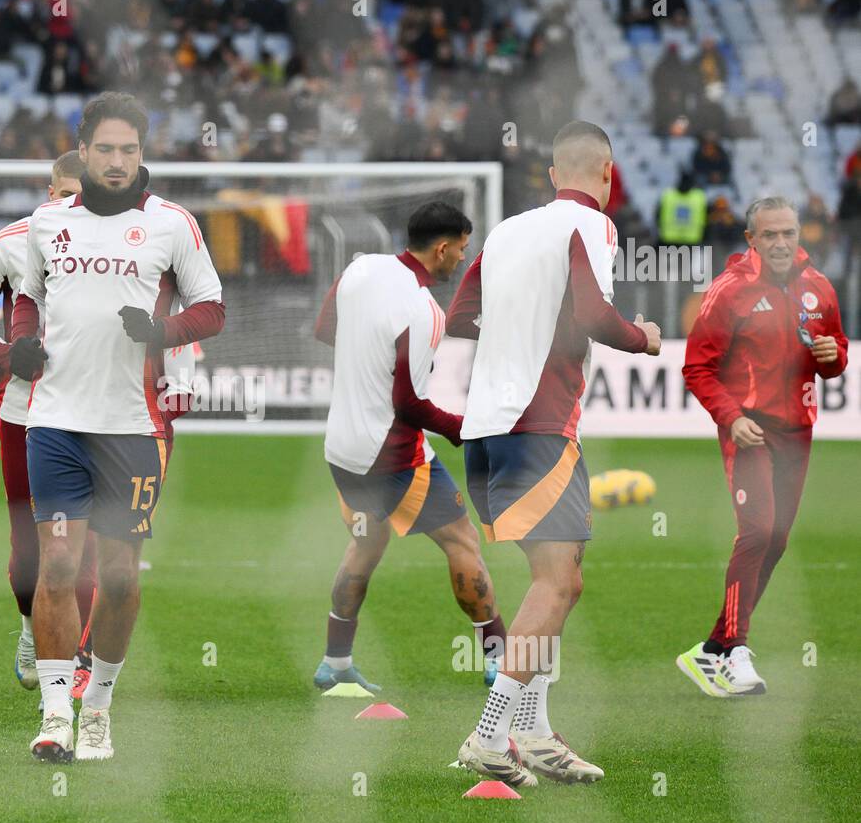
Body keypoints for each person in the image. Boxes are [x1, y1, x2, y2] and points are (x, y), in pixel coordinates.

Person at [9, 92, 225, 762]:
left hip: (134, 427)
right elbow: (27, 297)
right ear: (85, 148)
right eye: (104, 148)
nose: (116, 160)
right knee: (60, 565)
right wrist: (21, 341)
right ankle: (53, 718)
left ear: (142, 153)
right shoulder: (48, 225)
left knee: (121, 576)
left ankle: (96, 706)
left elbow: (212, 309)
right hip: (56, 422)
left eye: (129, 149)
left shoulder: (173, 225)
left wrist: (163, 330)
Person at [445, 121, 662, 786]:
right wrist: (645, 338)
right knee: (558, 582)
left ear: (549, 174)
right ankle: (490, 736)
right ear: (607, 172)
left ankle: (535, 734)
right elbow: (594, 314)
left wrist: (476, 391)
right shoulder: (593, 226)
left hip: (487, 429)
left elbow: (459, 319)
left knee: (561, 579)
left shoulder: (508, 230)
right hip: (537, 427)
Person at [313, 201, 505, 694]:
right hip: (391, 455)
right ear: (441, 248)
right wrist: (464, 429)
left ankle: (335, 661)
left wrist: (365, 362)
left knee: (366, 543)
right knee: (462, 541)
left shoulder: (360, 267)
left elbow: (324, 331)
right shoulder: (424, 311)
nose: (462, 259)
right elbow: (410, 404)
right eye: (461, 249)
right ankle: (500, 660)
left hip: (342, 448)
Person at [677, 197, 848, 696]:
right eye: (769, 235)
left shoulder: (819, 287)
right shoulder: (729, 291)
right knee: (757, 533)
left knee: (776, 540)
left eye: (788, 233)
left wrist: (832, 356)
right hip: (750, 431)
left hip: (798, 431)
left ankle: (711, 650)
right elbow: (697, 367)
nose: (780, 243)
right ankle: (737, 652)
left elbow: (834, 359)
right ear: (751, 239)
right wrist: (731, 418)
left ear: (800, 236)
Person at [0, 152, 100, 699]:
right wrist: (7, 355)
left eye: (80, 196)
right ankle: (28, 626)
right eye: (64, 195)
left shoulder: (110, 249)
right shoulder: (13, 241)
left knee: (80, 546)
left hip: (90, 413)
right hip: (23, 412)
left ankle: (73, 660)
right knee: (28, 547)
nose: (71, 206)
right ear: (48, 191)